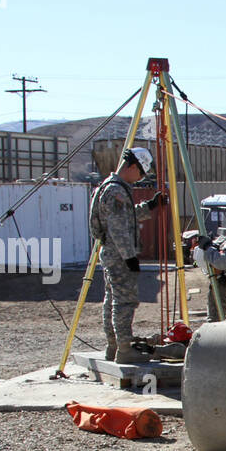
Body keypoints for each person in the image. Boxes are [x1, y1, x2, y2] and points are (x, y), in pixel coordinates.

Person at [89, 146, 167, 363]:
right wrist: (130, 257)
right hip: (119, 256)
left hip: (112, 254)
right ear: (132, 166)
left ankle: (114, 347)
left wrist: (151, 205)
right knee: (124, 301)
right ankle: (124, 349)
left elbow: (127, 217)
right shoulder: (116, 191)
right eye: (141, 173)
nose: (141, 178)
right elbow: (118, 228)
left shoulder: (110, 187)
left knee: (113, 300)